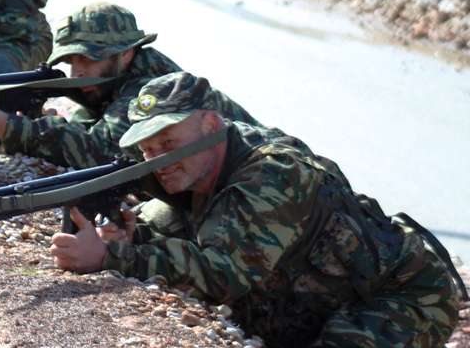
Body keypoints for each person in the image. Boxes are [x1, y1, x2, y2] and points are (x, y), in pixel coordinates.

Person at [49, 71, 464, 348]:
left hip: (400, 296)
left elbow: (223, 274)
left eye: (169, 144)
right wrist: (129, 235)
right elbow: (176, 231)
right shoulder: (199, 167)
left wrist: (109, 257)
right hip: (312, 295)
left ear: (210, 126)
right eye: (147, 149)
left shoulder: (274, 173)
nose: (158, 160)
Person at [0, 3, 258, 167]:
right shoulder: (114, 80)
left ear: (126, 53)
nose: (78, 72)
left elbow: (101, 150)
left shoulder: (147, 88)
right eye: (72, 61)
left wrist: (2, 125)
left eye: (88, 60)